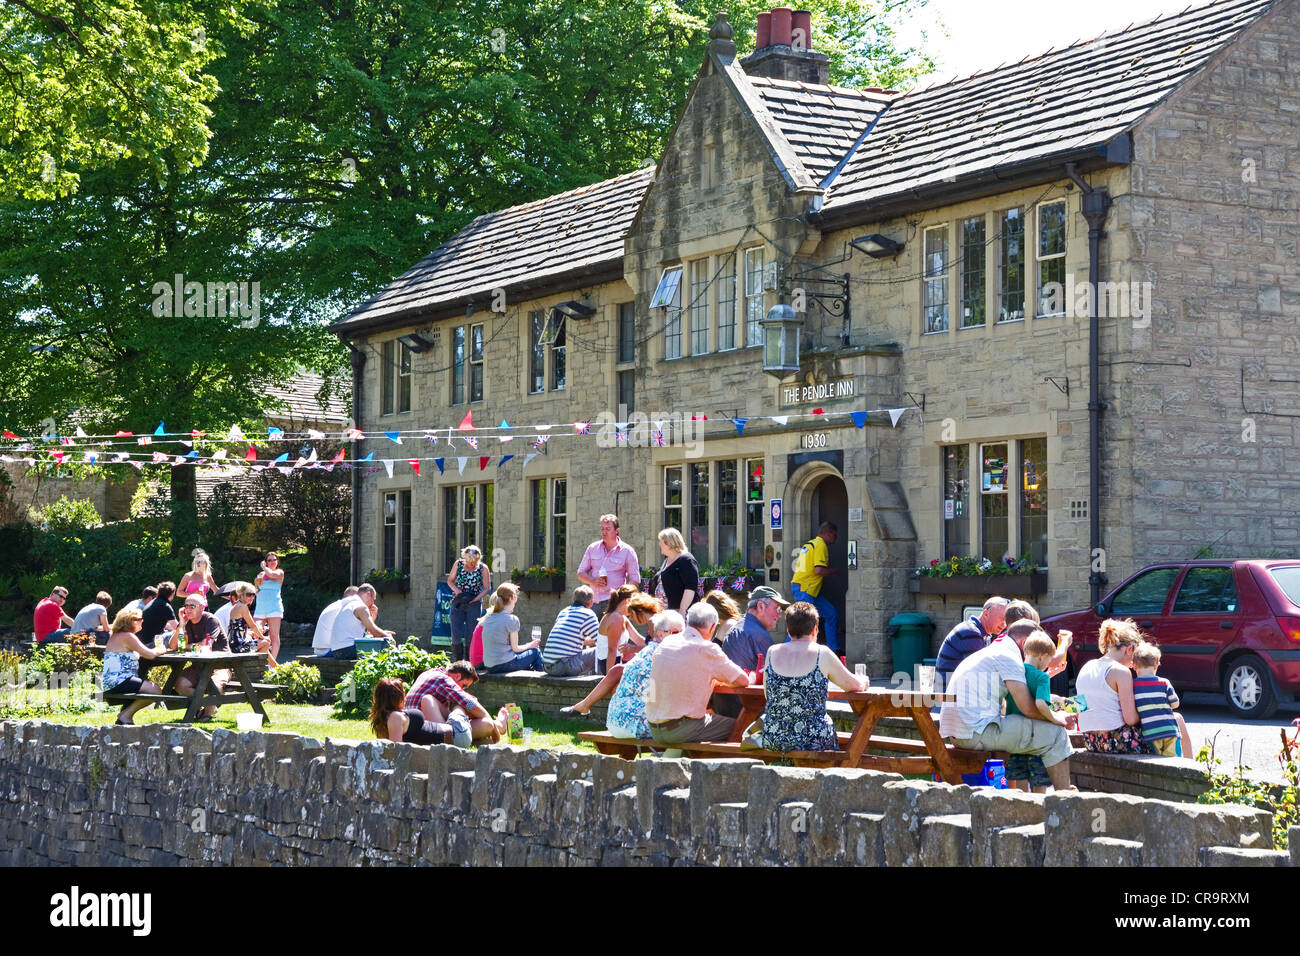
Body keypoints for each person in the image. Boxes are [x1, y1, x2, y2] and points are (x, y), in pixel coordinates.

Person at [939, 618, 1075, 791]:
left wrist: (1059, 705)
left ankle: (1027, 800)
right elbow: (1028, 709)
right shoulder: (1008, 657)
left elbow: (1010, 704)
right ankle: (1066, 800)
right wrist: (1058, 719)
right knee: (1056, 734)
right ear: (1025, 642)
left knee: (1034, 732)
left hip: (963, 732)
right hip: (976, 732)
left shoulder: (994, 652)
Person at [754, 602, 868, 752]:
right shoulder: (822, 653)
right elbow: (853, 685)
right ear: (815, 629)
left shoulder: (772, 652)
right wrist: (863, 680)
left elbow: (767, 694)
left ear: (788, 631)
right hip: (813, 739)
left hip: (775, 736)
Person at [646, 602, 750, 744]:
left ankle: (676, 759)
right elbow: (743, 680)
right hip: (680, 729)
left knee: (709, 720)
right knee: (741, 727)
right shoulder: (706, 648)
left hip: (654, 728)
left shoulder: (667, 642)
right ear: (713, 628)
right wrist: (753, 676)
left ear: (687, 622)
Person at [559, 593, 662, 716]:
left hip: (658, 667)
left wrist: (633, 649)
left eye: (632, 615)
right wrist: (633, 650)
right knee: (616, 677)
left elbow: (658, 649)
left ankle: (586, 707)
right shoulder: (653, 621)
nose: (632, 619)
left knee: (616, 674)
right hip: (654, 664)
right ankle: (603, 714)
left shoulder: (654, 623)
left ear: (638, 611)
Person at [1003, 630, 1073, 792]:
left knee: (1019, 779)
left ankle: (1020, 808)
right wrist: (1055, 718)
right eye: (1049, 660)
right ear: (1043, 656)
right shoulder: (1042, 678)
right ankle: (1039, 809)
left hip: (1014, 736)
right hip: (1036, 736)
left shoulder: (1015, 672)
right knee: (1039, 779)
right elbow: (1041, 703)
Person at [605, 610, 685, 739]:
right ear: (660, 634)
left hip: (615, 722)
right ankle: (668, 758)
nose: (682, 637)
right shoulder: (666, 655)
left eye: (684, 633)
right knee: (687, 728)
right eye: (676, 632)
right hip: (636, 724)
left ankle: (668, 757)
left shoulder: (647, 651)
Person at [715, 586, 789, 719]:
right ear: (760, 606)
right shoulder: (758, 635)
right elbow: (779, 680)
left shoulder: (736, 629)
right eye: (777, 608)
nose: (779, 614)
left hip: (728, 710)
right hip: (749, 712)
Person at [1076, 618, 1146, 753]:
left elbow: (1082, 706)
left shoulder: (1087, 666)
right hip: (1117, 740)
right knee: (1172, 722)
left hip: (1091, 741)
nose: (1134, 663)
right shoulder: (1121, 672)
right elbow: (1130, 719)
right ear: (1129, 649)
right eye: (1135, 656)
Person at [404, 661, 504, 745]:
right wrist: (493, 727)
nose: (461, 689)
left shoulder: (428, 673)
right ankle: (497, 725)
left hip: (413, 727)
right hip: (429, 731)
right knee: (465, 707)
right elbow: (468, 702)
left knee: (474, 717)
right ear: (457, 676)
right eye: (463, 685)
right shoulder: (442, 679)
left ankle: (494, 726)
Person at [100, 607, 169, 726]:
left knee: (151, 688)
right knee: (155, 690)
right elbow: (150, 654)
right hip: (118, 681)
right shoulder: (127, 636)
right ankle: (126, 715)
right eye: (140, 619)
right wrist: (161, 649)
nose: (142, 621)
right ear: (131, 621)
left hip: (112, 681)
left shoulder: (118, 635)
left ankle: (125, 716)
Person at [171, 595, 231, 720]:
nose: (188, 609)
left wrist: (186, 646)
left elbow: (205, 645)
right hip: (198, 666)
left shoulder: (210, 620)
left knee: (215, 686)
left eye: (192, 606)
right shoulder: (186, 622)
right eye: (186, 606)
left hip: (220, 665)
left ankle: (206, 713)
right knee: (180, 684)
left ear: (202, 608)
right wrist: (181, 624)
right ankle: (204, 707)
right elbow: (173, 645)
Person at [934, 596, 1009, 692]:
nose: (1004, 624)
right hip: (948, 700)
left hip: (952, 697)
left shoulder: (980, 634)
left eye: (1006, 620)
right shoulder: (971, 633)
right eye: (1002, 618)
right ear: (986, 613)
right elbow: (982, 674)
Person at [1132, 642, 1194, 757]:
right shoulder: (1164, 682)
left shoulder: (1133, 686)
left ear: (1134, 665)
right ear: (1156, 664)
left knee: (1156, 761)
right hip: (1170, 730)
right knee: (1173, 760)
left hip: (1150, 733)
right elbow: (1175, 703)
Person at [789, 521, 841, 652]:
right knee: (801, 622)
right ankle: (788, 651)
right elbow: (818, 570)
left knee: (831, 614)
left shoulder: (810, 544)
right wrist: (834, 571)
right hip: (805, 589)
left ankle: (833, 650)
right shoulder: (821, 545)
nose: (835, 540)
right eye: (834, 536)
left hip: (808, 589)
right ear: (828, 534)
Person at [576, 513, 640, 616]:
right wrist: (593, 581)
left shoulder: (627, 551)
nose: (604, 532)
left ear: (617, 531)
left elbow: (634, 580)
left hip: (614, 603)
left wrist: (622, 598)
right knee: (592, 632)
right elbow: (580, 573)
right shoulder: (592, 548)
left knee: (614, 632)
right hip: (593, 602)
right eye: (602, 529)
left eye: (608, 529)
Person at [371, 677, 464, 745]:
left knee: (458, 709)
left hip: (457, 732)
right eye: (404, 693)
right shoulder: (394, 717)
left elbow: (396, 750)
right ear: (399, 698)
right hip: (455, 736)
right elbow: (396, 750)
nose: (405, 697)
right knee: (457, 710)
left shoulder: (392, 717)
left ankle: (460, 709)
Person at [480, 582, 543, 673]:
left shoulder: (488, 617)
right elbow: (515, 648)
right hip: (504, 664)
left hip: (489, 666)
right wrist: (531, 645)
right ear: (513, 598)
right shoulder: (512, 619)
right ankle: (540, 684)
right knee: (536, 652)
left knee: (526, 658)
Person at [542, 586, 600, 677]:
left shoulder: (563, 612)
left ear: (573, 599)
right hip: (563, 667)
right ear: (591, 603)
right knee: (601, 650)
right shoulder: (588, 614)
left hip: (547, 666)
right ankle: (602, 682)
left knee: (585, 648)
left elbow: (568, 639)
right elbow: (601, 641)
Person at [446, 545, 491, 662]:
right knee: (455, 632)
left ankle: (469, 661)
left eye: (474, 561)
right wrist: (458, 591)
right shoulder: (458, 564)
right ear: (465, 558)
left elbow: (487, 588)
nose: (471, 564)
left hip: (474, 602)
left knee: (471, 633)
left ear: (478, 558)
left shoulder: (483, 568)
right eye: (469, 561)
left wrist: (476, 599)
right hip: (458, 601)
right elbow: (450, 581)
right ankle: (457, 661)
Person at [327, 583, 394, 659]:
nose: (373, 604)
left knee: (380, 638)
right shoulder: (361, 607)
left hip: (337, 652)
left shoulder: (349, 604)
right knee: (387, 642)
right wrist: (387, 636)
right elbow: (374, 632)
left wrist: (374, 619)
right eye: (373, 600)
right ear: (368, 594)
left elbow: (366, 633)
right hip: (347, 651)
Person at [595, 584, 643, 676]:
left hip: (616, 662)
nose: (637, 609)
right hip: (610, 665)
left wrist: (656, 644)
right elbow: (612, 650)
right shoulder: (616, 618)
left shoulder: (622, 617)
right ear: (627, 601)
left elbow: (639, 640)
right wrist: (609, 678)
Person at [651, 528, 699, 616]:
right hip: (665, 612)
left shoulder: (686, 560)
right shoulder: (667, 560)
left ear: (669, 543)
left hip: (679, 613)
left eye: (661, 541)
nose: (659, 544)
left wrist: (682, 610)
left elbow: (690, 588)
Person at [253, 551, 286, 662]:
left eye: (274, 560)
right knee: (255, 634)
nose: (272, 562)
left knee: (274, 636)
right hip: (260, 608)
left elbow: (272, 575)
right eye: (269, 560)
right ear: (266, 562)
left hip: (274, 608)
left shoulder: (279, 572)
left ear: (277, 561)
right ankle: (259, 660)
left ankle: (272, 663)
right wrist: (256, 584)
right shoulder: (261, 574)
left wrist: (263, 567)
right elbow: (256, 592)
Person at [227, 582, 273, 657]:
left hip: (234, 645)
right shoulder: (243, 607)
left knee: (261, 643)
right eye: (249, 595)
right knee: (266, 642)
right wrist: (262, 637)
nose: (251, 597)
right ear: (241, 595)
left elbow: (238, 629)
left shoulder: (236, 606)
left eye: (253, 595)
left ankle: (274, 666)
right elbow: (253, 626)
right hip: (239, 647)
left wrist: (251, 633)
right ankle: (255, 666)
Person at [312, 586, 360, 656]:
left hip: (320, 650)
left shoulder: (336, 605)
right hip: (328, 650)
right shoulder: (346, 608)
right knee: (368, 648)